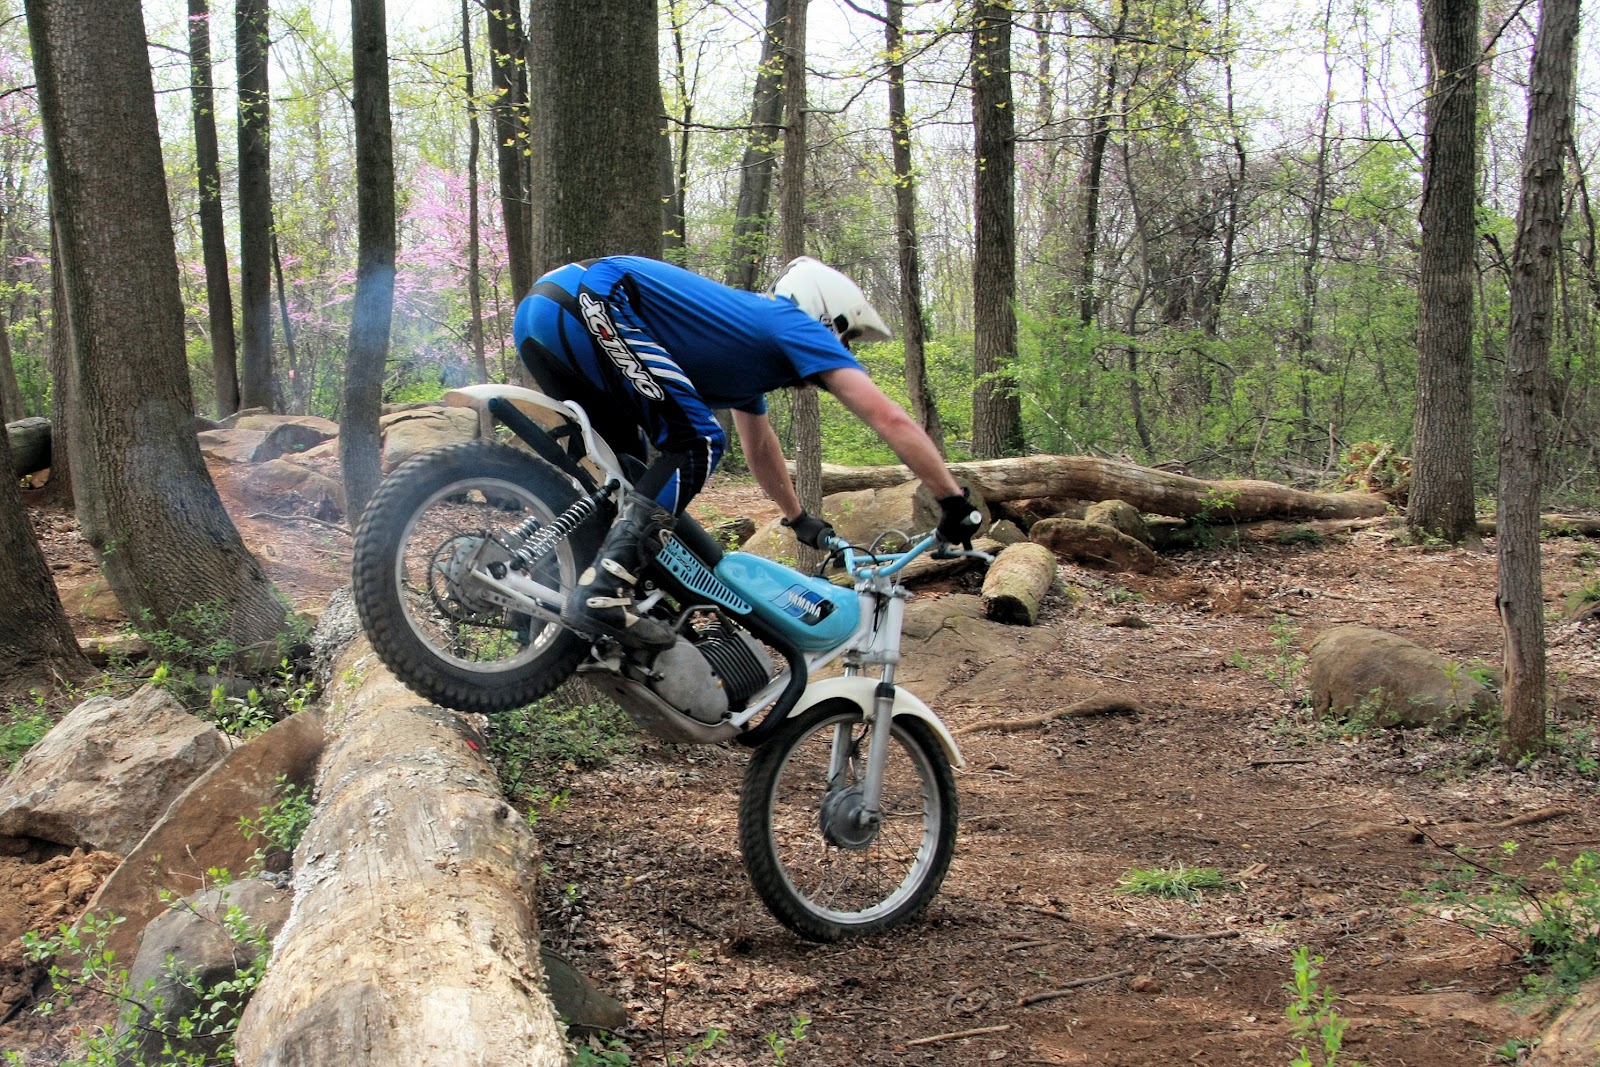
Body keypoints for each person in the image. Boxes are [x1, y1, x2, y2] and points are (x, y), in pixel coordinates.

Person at [512, 254, 982, 651]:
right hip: (594, 300)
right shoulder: (793, 324)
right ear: (827, 318)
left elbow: (760, 447)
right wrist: (953, 500)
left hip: (543, 314)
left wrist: (798, 518)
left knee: (623, 475)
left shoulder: (748, 350)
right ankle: (605, 589)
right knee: (698, 441)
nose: (843, 350)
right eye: (847, 337)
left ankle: (534, 579)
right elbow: (890, 419)